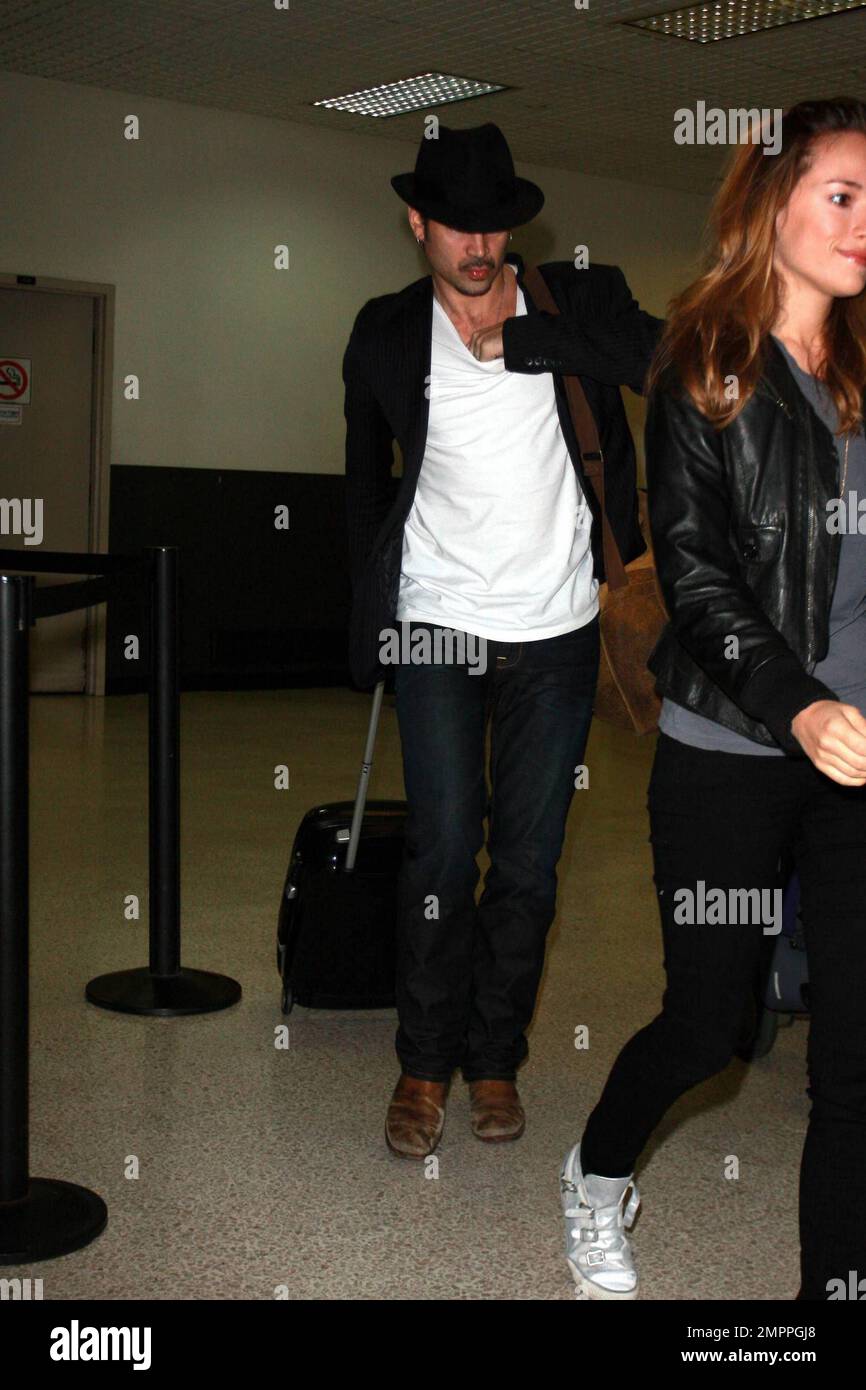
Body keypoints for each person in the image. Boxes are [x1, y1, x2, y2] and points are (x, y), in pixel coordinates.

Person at [560, 96, 866, 1301]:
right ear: (768, 200)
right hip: (733, 738)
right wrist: (795, 703)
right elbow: (690, 573)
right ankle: (593, 1173)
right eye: (841, 195)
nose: (861, 223)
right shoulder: (704, 367)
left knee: (850, 1050)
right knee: (712, 1025)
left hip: (858, 753)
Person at [343, 122, 663, 1158]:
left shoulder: (578, 296)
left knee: (527, 863)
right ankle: (422, 1064)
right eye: (453, 226)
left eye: (491, 226)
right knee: (441, 847)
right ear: (416, 223)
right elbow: (362, 488)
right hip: (438, 615)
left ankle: (493, 1060)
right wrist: (372, 623)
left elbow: (662, 363)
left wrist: (527, 342)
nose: (475, 247)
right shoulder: (385, 331)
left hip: (557, 627)